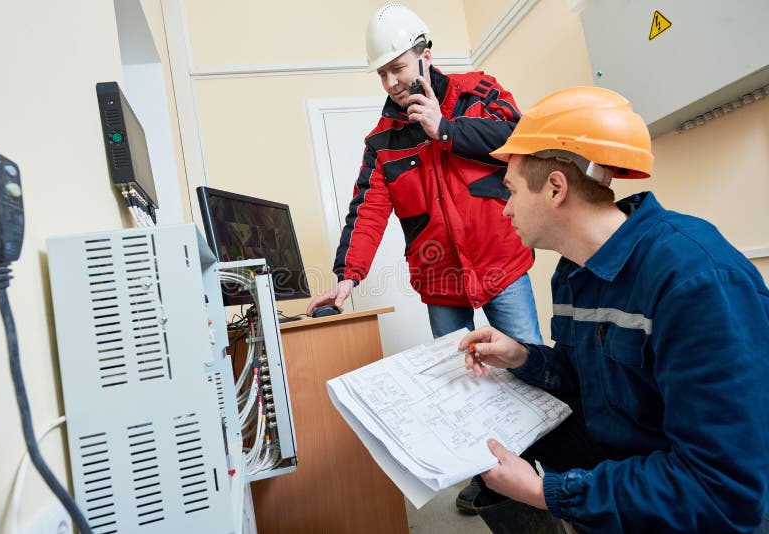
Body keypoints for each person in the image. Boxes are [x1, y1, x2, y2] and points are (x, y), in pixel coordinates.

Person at [457, 86, 769, 533]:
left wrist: (544, 492)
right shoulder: (573, 272)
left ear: (555, 188)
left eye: (509, 191)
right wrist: (523, 357)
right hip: (622, 474)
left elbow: (721, 488)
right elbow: (590, 379)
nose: (504, 210)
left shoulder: (696, 282)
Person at [306, 4, 542, 366]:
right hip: (440, 281)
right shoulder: (381, 143)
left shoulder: (479, 91)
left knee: (530, 366)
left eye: (397, 69)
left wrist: (445, 129)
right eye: (382, 74)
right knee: (456, 379)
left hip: (502, 264)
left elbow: (521, 139)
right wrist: (347, 277)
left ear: (425, 57)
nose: (390, 83)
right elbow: (367, 212)